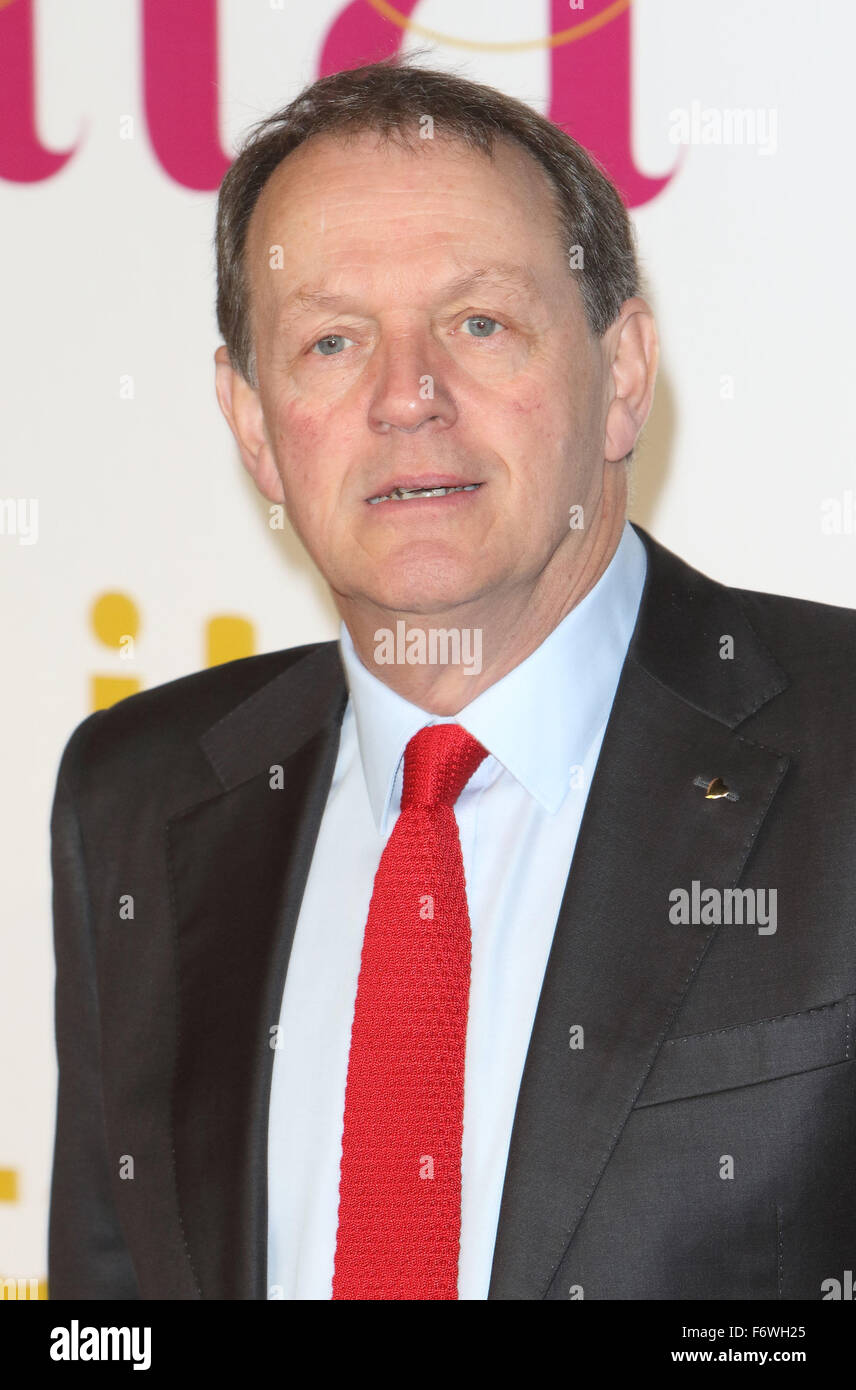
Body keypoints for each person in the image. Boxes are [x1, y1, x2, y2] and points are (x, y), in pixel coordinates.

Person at [49, 58, 856, 1301]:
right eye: (330, 340)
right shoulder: (137, 795)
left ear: (623, 372)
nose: (406, 398)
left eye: (479, 323)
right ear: (255, 426)